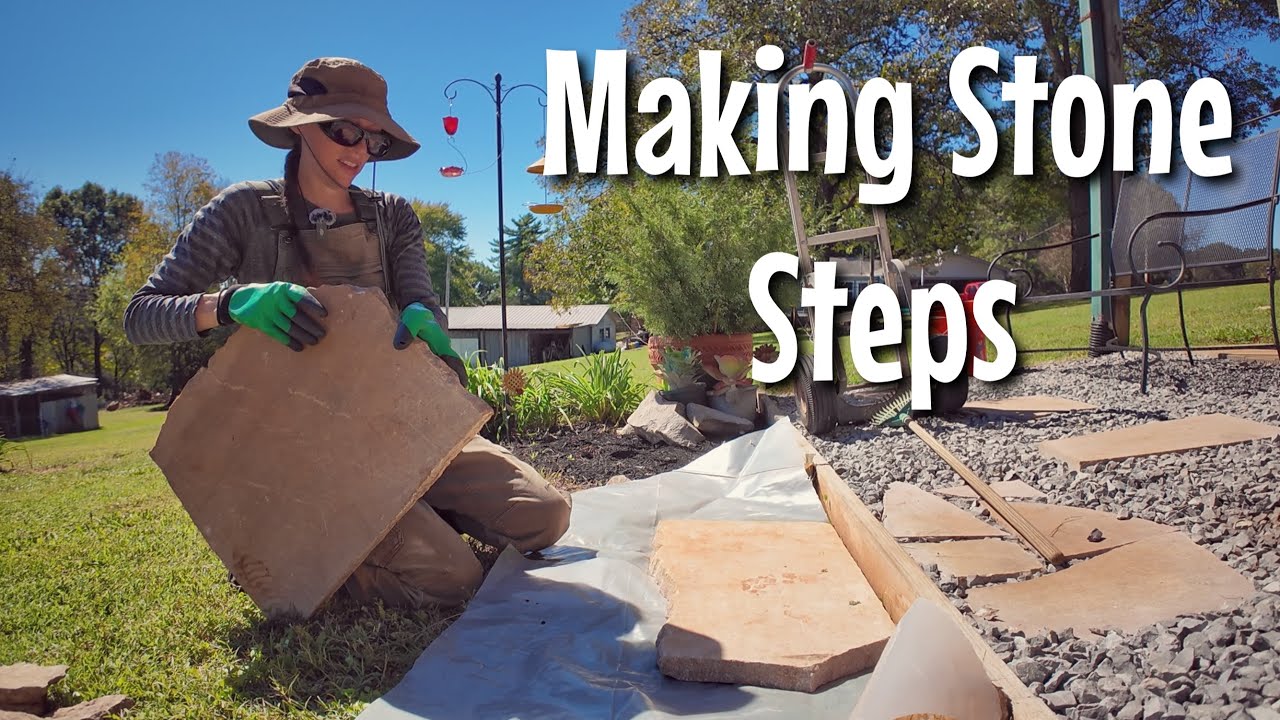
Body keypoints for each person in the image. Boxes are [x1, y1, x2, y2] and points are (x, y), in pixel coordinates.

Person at [123, 57, 571, 609]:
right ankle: (290, 554)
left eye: (374, 141)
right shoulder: (242, 210)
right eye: (346, 131)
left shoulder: (393, 216)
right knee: (451, 581)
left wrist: (430, 327)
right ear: (300, 125)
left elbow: (422, 307)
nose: (360, 152)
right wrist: (232, 303)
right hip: (302, 447)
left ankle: (408, 514)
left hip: (399, 423)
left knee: (545, 514)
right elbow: (140, 316)